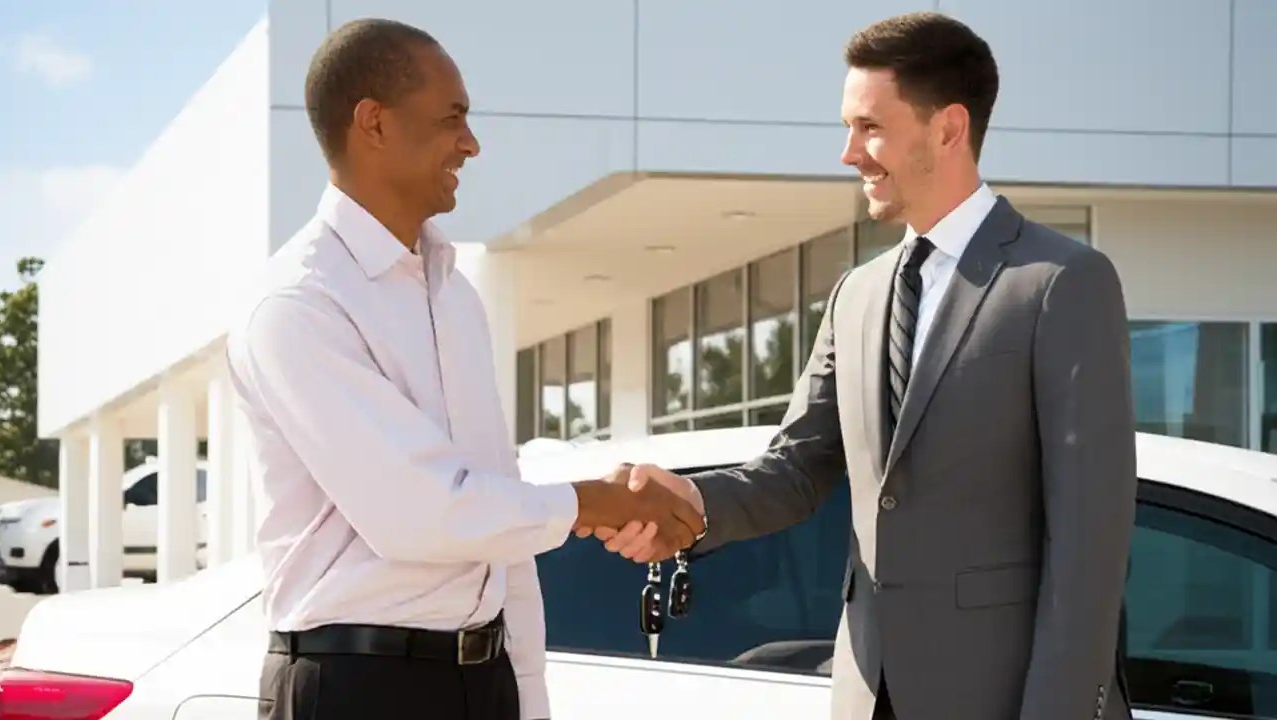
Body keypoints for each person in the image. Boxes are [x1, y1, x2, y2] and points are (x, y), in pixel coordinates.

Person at [585, 11, 1136, 720]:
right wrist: (689, 505)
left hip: (1001, 699)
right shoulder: (858, 293)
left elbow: (1091, 538)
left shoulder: (1063, 281)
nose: (850, 153)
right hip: (866, 693)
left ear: (947, 129)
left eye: (870, 127)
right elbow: (795, 468)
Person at [225, 18, 703, 720]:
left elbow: (493, 514)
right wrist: (598, 502)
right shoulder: (299, 303)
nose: (471, 144)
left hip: (482, 680)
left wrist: (528, 696)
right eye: (453, 119)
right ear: (374, 122)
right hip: (354, 689)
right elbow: (420, 512)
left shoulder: (451, 289)